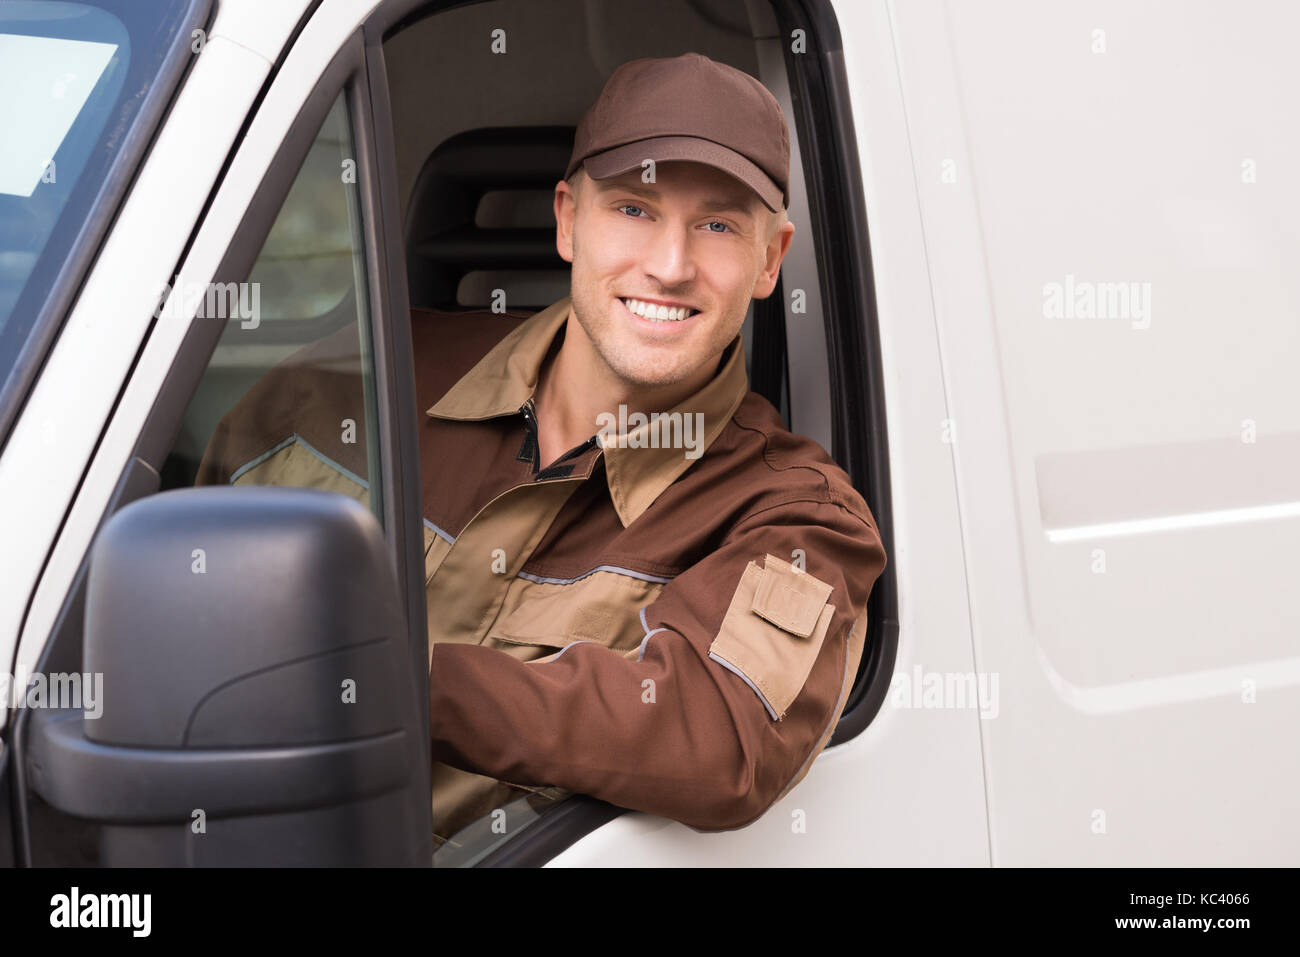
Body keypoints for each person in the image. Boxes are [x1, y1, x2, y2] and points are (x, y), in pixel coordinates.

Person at [197, 52, 887, 851]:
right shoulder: (357, 379)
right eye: (633, 209)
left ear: (771, 259)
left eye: (719, 225)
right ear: (566, 220)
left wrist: (393, 681)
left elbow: (724, 733)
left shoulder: (797, 519)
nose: (669, 265)